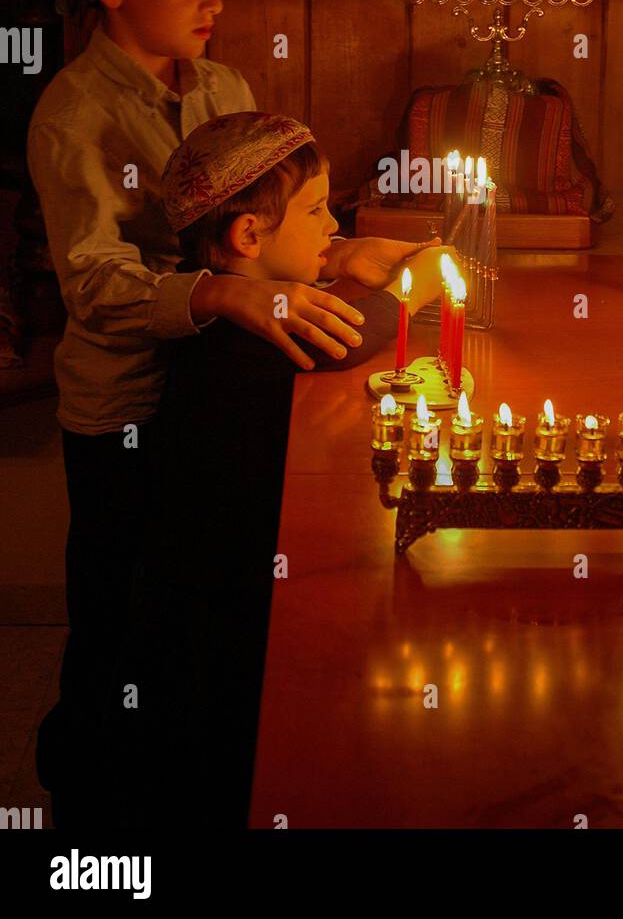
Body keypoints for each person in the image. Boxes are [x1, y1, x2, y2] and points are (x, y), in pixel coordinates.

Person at [26, 0, 433, 825]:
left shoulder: (222, 83)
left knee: (194, 612)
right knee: (120, 612)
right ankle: (87, 808)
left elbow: (257, 230)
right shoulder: (73, 117)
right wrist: (220, 295)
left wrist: (331, 256)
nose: (216, 1)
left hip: (218, 376)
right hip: (126, 402)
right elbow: (95, 283)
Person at [107, 111, 452, 828]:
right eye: (320, 210)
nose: (336, 224)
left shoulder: (227, 294)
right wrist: (412, 286)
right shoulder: (250, 325)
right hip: (216, 608)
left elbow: (334, 307)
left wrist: (350, 257)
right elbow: (348, 340)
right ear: (249, 238)